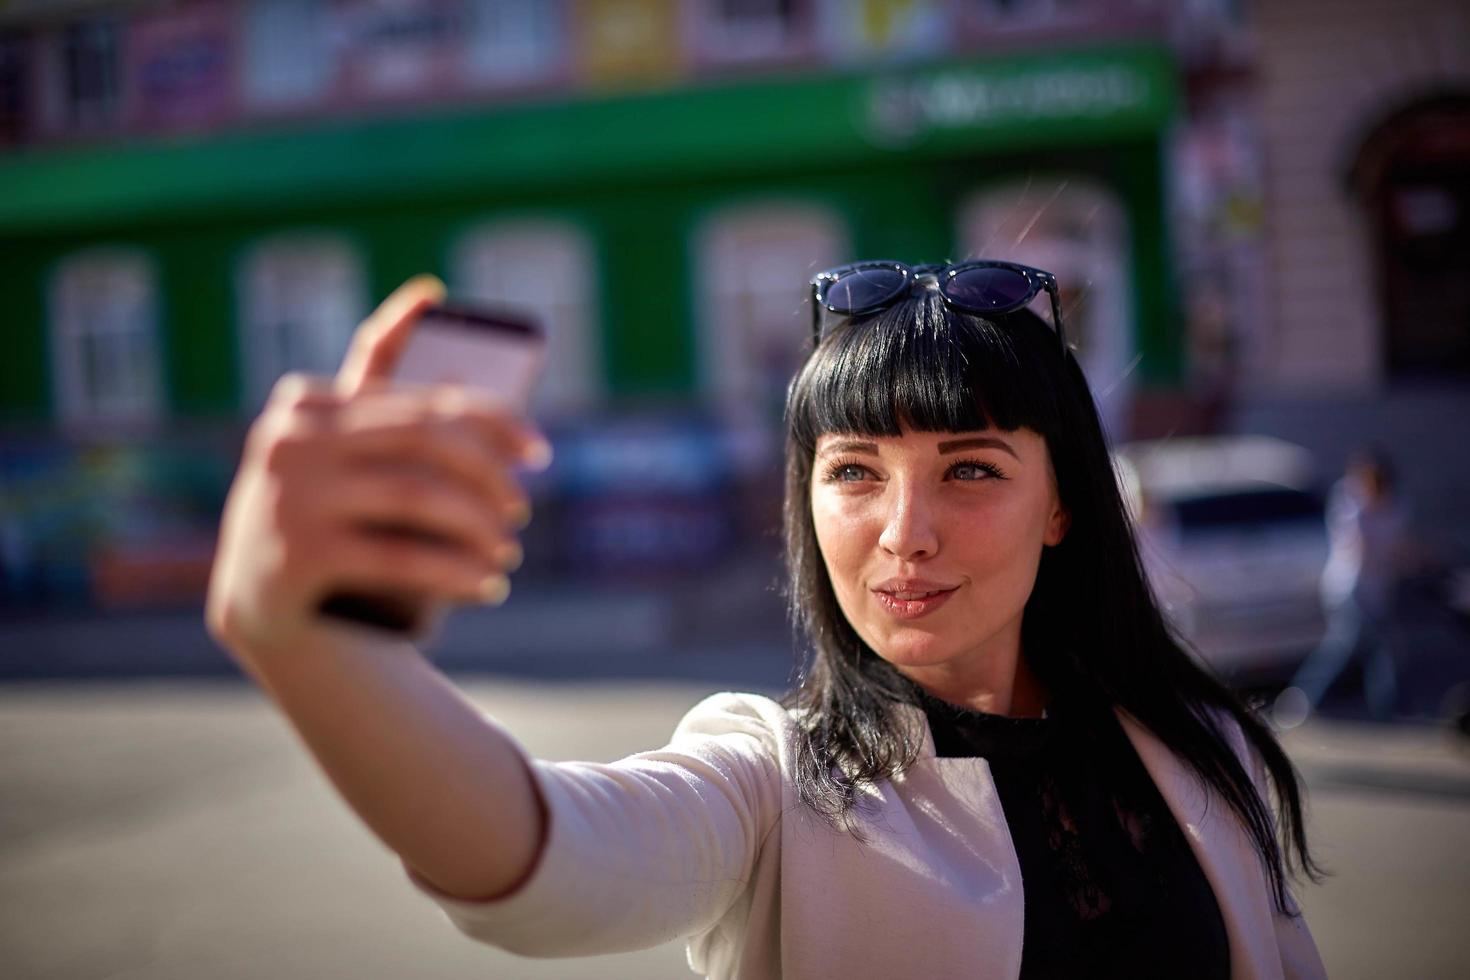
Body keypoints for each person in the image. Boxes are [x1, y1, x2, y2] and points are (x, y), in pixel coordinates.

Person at [206, 265, 1328, 979]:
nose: (905, 530)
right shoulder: (773, 779)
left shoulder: (1196, 745)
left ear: (1064, 503)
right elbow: (547, 854)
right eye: (853, 471)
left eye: (971, 467)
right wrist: (311, 645)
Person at [1274, 450, 1409, 728]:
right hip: (1350, 590)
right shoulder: (1350, 500)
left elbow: (1399, 544)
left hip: (1378, 591)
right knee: (1351, 648)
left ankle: (1386, 706)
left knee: (1373, 650)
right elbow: (1359, 546)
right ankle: (1302, 701)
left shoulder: (1394, 503)